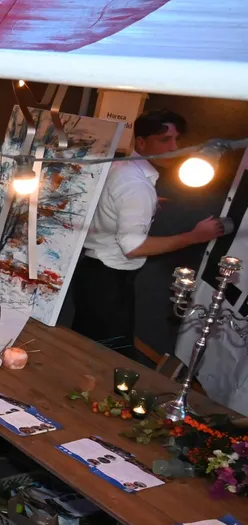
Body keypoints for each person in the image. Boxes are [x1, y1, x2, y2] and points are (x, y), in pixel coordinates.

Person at [71, 109, 224, 360]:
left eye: (176, 140)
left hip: (93, 274)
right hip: (109, 282)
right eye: (164, 140)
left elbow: (114, 200)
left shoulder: (121, 167)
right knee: (108, 358)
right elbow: (133, 247)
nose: (174, 147)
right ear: (141, 142)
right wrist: (194, 236)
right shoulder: (136, 186)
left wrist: (146, 204)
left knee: (86, 347)